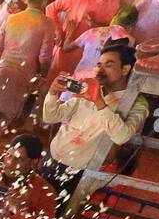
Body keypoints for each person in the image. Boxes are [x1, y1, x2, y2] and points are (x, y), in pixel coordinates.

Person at [41, 42, 149, 197]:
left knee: (57, 215)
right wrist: (52, 93)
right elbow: (51, 117)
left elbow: (122, 136)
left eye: (108, 65)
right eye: (99, 64)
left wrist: (99, 102)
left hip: (80, 172)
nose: (100, 69)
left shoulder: (137, 103)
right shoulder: (88, 88)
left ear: (125, 69)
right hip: (53, 159)